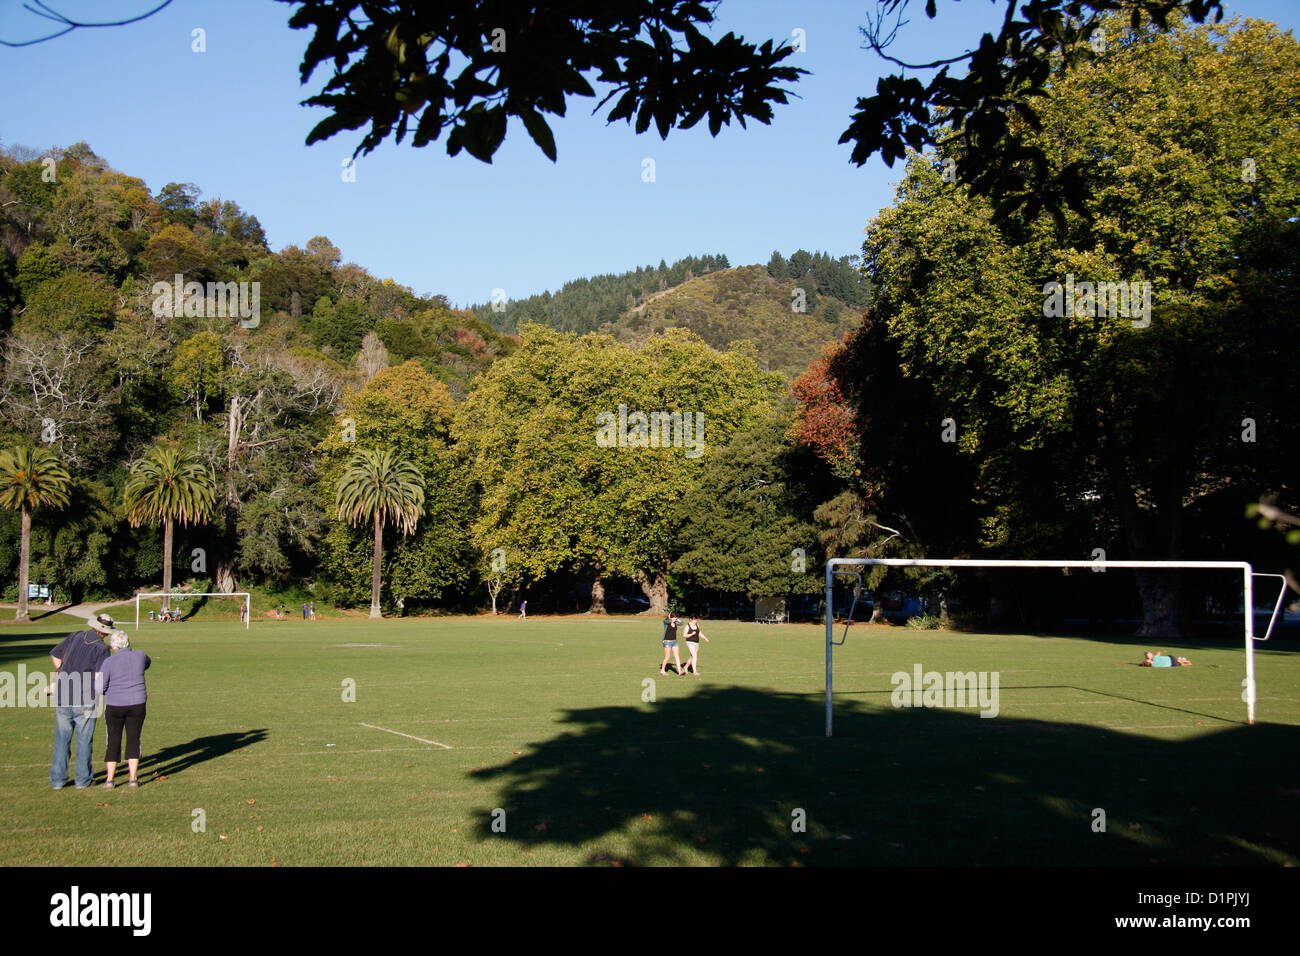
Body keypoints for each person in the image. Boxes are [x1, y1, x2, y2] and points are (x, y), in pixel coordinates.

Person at [49, 613, 113, 790]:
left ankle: (57, 781)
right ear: (104, 632)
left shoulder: (76, 635)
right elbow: (100, 677)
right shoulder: (101, 649)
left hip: (63, 694)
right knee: (84, 739)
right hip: (85, 698)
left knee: (62, 738)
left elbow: (55, 655)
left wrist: (62, 670)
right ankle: (83, 780)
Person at [98, 630, 151, 789]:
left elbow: (99, 688)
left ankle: (109, 779)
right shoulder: (140, 656)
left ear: (113, 646)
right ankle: (133, 778)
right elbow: (147, 663)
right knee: (134, 739)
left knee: (113, 740)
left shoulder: (108, 662)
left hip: (115, 705)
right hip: (137, 703)